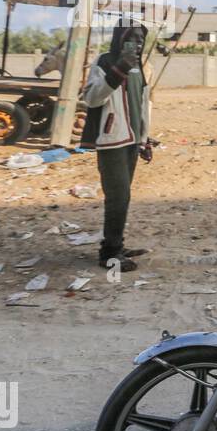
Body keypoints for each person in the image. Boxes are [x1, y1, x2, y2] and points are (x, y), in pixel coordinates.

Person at [79, 17, 153, 271]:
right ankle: (109, 254)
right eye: (131, 38)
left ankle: (117, 244)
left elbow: (143, 105)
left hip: (132, 141)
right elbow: (91, 98)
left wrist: (145, 140)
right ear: (120, 39)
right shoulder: (104, 62)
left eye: (141, 39)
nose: (136, 44)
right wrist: (117, 71)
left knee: (123, 197)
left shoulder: (140, 67)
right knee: (118, 197)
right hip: (112, 141)